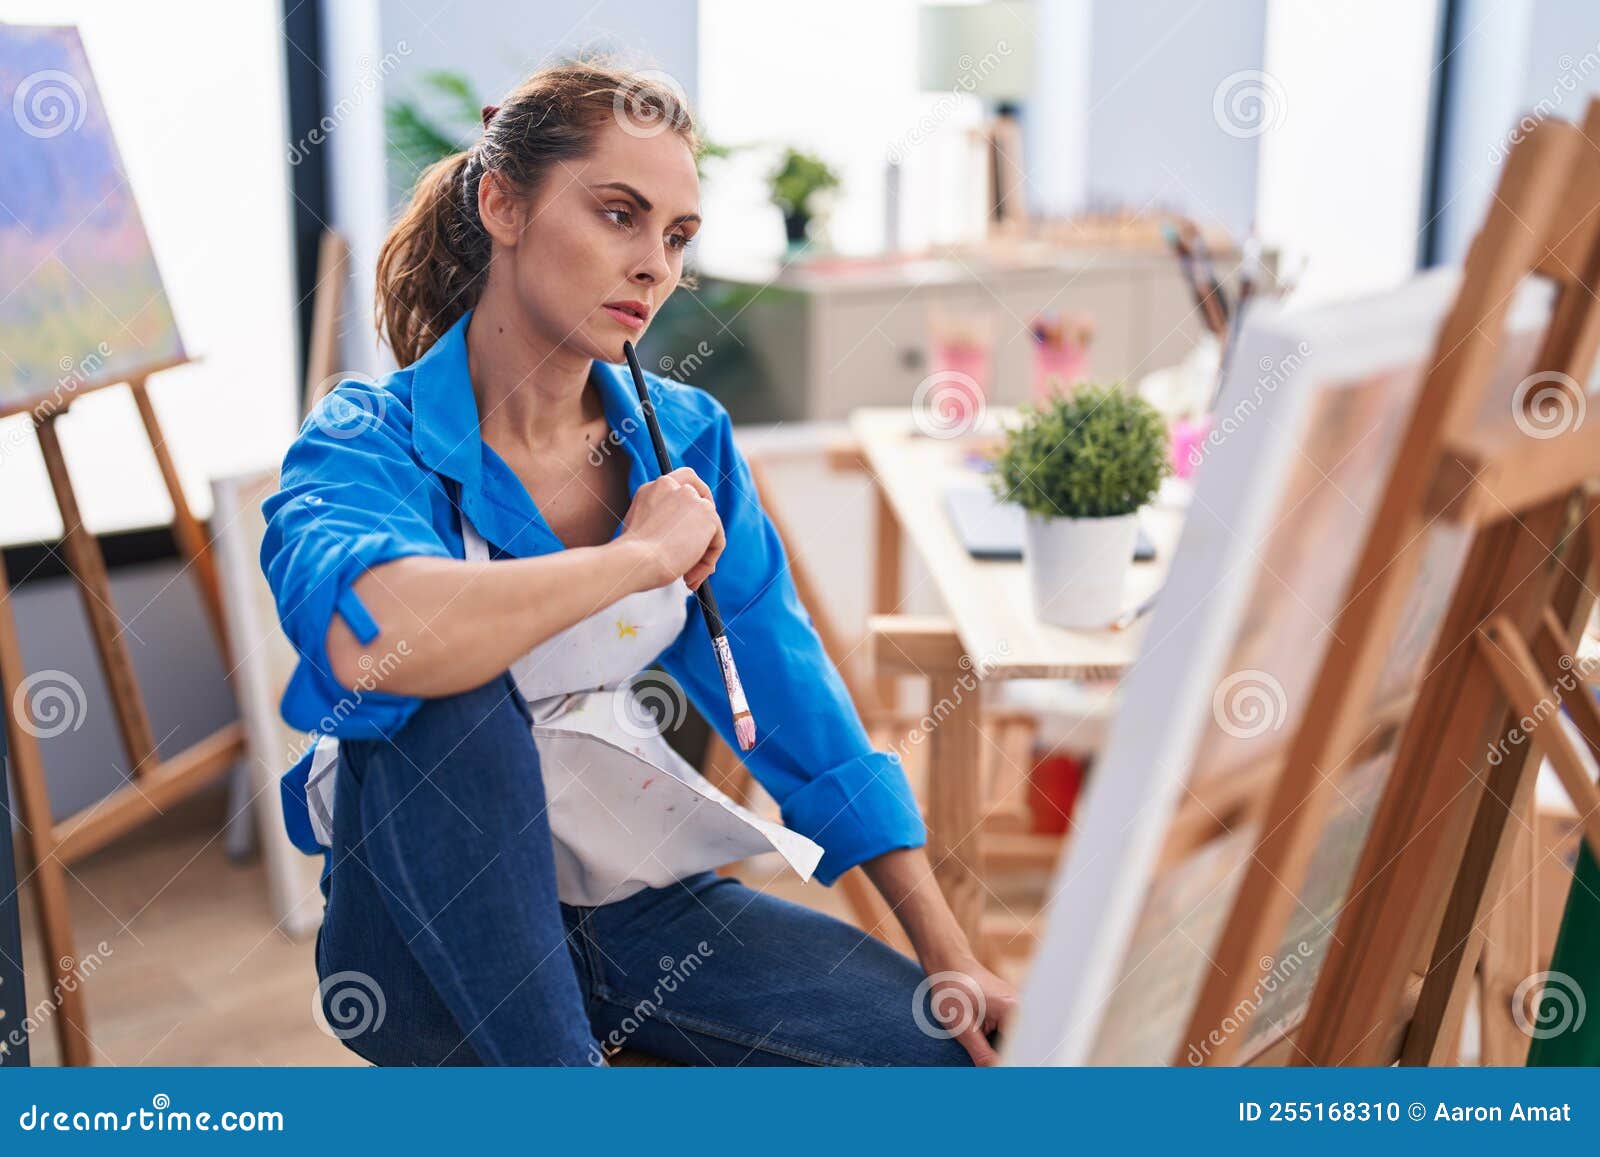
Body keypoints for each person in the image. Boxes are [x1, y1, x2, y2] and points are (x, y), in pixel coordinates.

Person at [260, 60, 1015, 1067]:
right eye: (619, 214)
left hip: (632, 911)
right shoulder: (363, 438)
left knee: (930, 1054)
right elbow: (380, 639)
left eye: (676, 236)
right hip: (423, 943)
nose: (654, 264)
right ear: (503, 203)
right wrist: (634, 558)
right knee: (449, 685)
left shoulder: (684, 439)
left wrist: (948, 953)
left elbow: (798, 704)